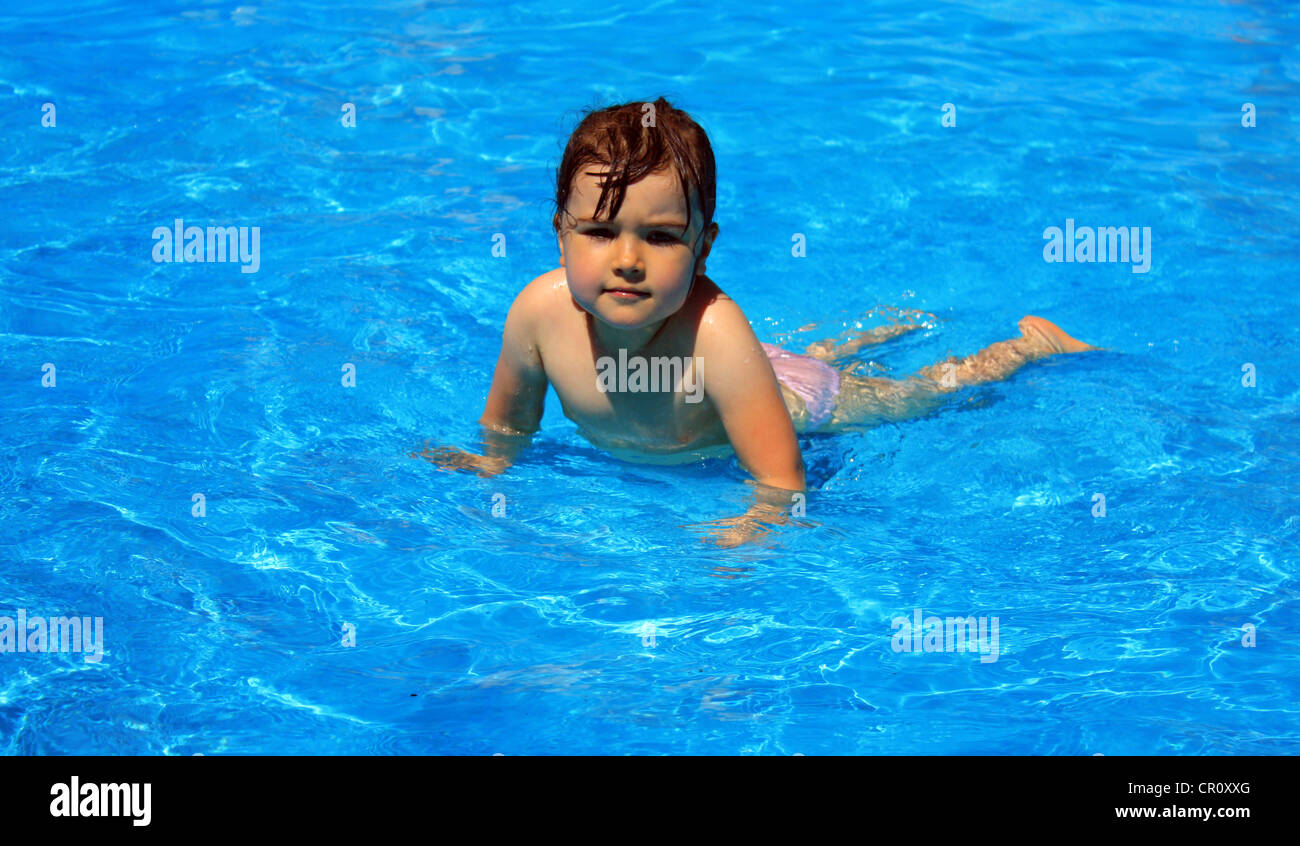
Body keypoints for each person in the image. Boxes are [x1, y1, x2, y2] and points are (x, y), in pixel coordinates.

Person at [416, 97, 1097, 546]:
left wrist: (754, 524)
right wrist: (491, 463)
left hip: (784, 398)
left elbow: (781, 479)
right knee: (815, 354)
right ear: (560, 234)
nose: (627, 260)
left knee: (912, 397)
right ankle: (859, 339)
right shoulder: (539, 313)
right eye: (599, 232)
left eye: (660, 237)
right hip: (736, 374)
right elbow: (507, 423)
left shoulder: (716, 332)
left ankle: (1024, 348)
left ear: (703, 248)